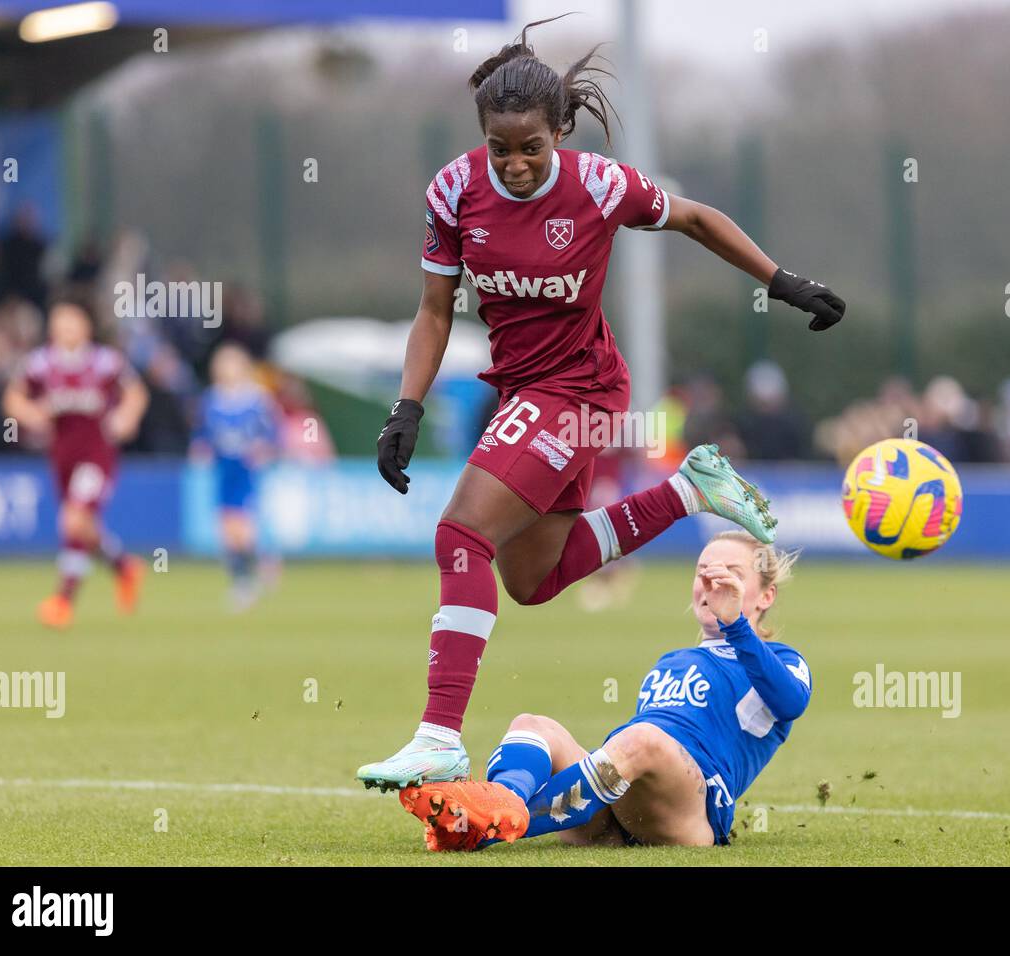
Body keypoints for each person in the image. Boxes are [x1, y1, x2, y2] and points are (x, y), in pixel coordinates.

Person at [356, 16, 844, 791]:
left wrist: (780, 281)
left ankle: (439, 736)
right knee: (530, 580)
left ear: (560, 130)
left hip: (579, 387)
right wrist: (405, 408)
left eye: (531, 147)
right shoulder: (452, 190)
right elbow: (435, 310)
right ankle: (690, 489)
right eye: (500, 148)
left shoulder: (599, 185)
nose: (515, 164)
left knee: (459, 534)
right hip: (523, 389)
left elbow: (693, 217)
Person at [398, 530, 810, 850]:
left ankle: (486, 829)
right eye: (704, 571)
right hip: (620, 804)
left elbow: (790, 702)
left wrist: (737, 625)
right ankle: (497, 801)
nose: (712, 582)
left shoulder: (782, 660)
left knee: (643, 738)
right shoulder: (672, 660)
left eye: (731, 575)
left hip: (691, 812)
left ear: (766, 596)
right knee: (533, 724)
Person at [2, 293, 149, 629]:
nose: (65, 328)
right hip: (61, 455)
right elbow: (12, 399)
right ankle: (124, 566)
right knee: (83, 526)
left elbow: (137, 393)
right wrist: (31, 413)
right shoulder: (40, 363)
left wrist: (126, 416)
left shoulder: (105, 362)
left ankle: (63, 601)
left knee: (73, 519)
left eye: (72, 321)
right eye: (59, 322)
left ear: (86, 327)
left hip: (96, 454)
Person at [189, 343, 281, 610]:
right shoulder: (211, 400)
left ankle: (246, 581)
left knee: (241, 527)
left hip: (246, 469)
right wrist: (200, 449)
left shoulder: (256, 400)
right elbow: (202, 432)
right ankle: (253, 570)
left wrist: (265, 449)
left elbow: (273, 433)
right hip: (223, 469)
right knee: (226, 528)